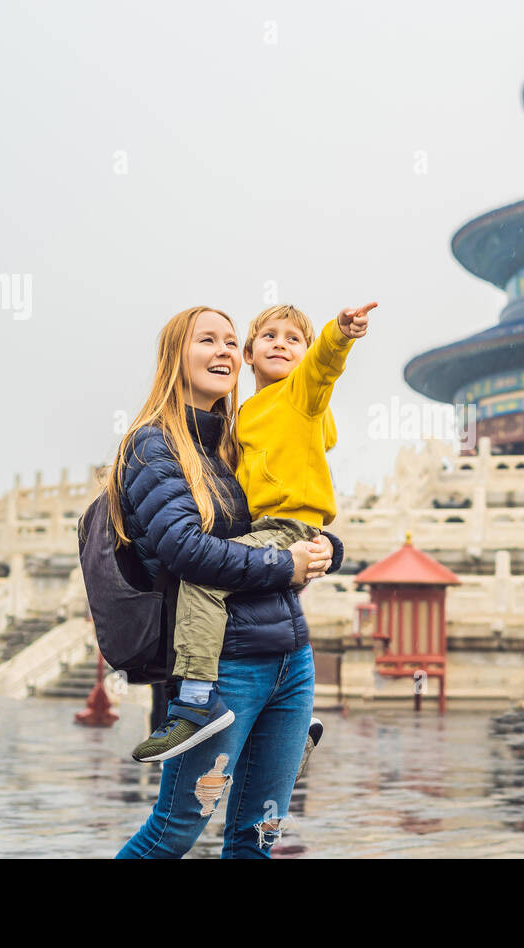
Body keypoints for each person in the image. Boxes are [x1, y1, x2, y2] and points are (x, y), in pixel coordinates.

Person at [110, 304, 344, 858]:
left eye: (228, 341)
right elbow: (185, 550)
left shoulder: (233, 444)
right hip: (222, 670)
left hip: (290, 658)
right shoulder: (155, 445)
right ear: (175, 356)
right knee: (173, 833)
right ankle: (193, 708)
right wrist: (287, 565)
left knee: (258, 835)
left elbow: (279, 527)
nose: (221, 351)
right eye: (205, 340)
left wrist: (327, 548)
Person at [131, 300, 374, 762]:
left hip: (285, 529)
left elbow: (324, 366)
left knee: (204, 581)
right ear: (250, 353)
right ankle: (289, 722)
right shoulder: (238, 419)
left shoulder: (301, 394)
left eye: (293, 339)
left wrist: (339, 334)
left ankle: (197, 703)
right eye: (269, 336)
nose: (281, 344)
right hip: (267, 554)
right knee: (238, 825)